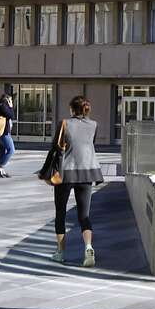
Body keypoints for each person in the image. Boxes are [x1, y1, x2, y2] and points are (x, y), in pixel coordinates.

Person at [52, 95, 103, 267]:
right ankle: (88, 247)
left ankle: (60, 252)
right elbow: (89, 144)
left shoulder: (65, 124)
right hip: (87, 172)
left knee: (60, 212)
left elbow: (56, 147)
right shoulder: (94, 125)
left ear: (72, 109)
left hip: (66, 172)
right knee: (84, 215)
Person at [0, 92, 15, 178]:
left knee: (3, 151)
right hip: (4, 133)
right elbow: (11, 115)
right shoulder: (3, 107)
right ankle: (0, 167)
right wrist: (10, 107)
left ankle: (1, 171)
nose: (11, 101)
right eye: (10, 100)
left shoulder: (1, 106)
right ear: (6, 100)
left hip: (2, 133)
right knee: (11, 150)